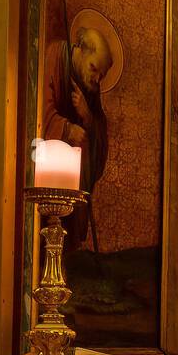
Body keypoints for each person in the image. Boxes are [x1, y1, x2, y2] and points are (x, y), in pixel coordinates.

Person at [43, 27, 111, 250]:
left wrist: (87, 115)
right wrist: (66, 129)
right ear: (80, 50)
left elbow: (99, 130)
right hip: (48, 164)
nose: (96, 78)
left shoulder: (91, 86)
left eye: (101, 75)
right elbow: (40, 109)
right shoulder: (55, 55)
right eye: (94, 68)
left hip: (75, 174)